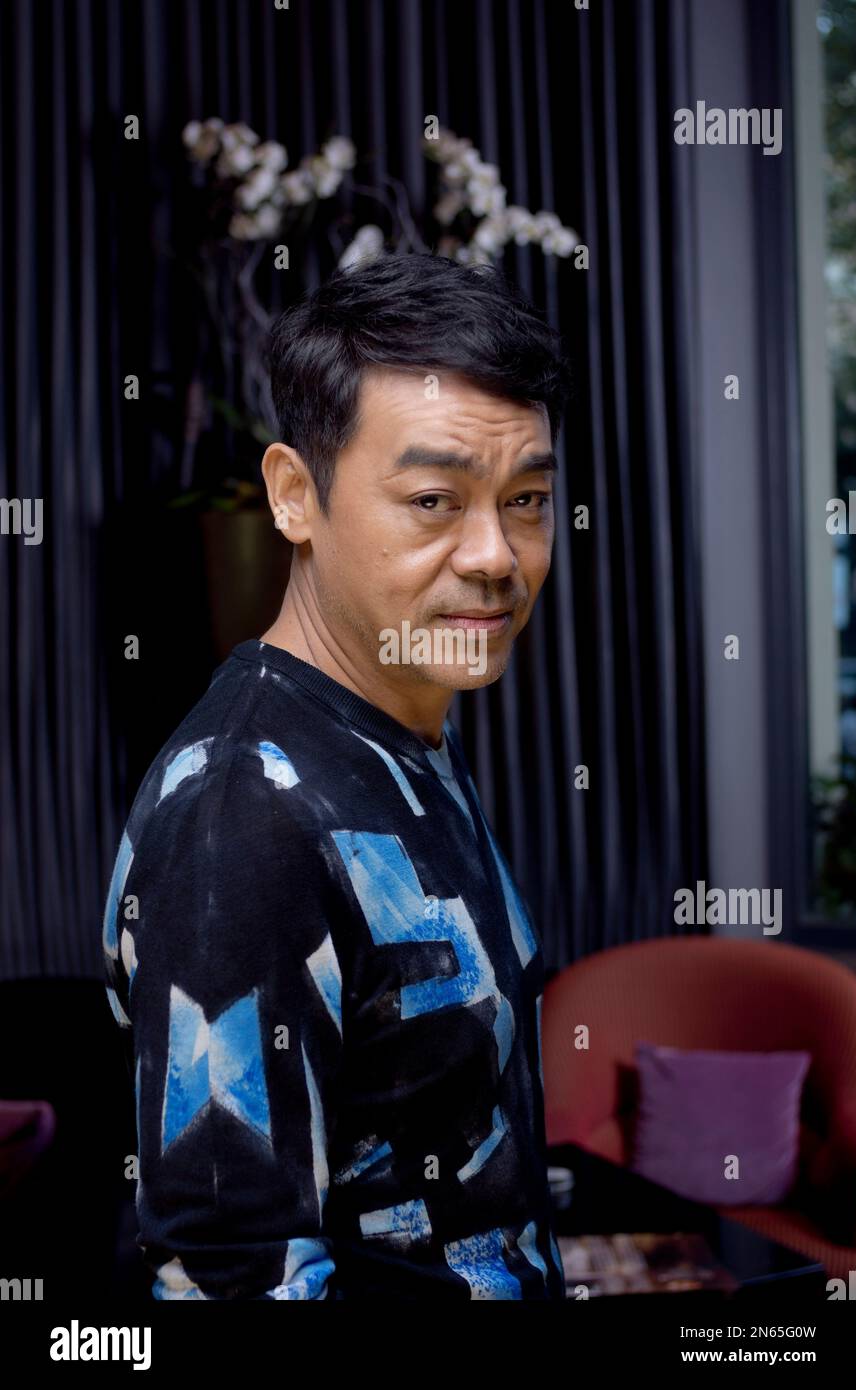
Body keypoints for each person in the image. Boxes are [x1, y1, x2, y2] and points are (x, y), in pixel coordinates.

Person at [102, 251, 572, 1300]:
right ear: (293, 496)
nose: (497, 554)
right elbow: (228, 1277)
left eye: (528, 498)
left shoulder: (400, 729)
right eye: (433, 499)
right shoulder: (244, 813)